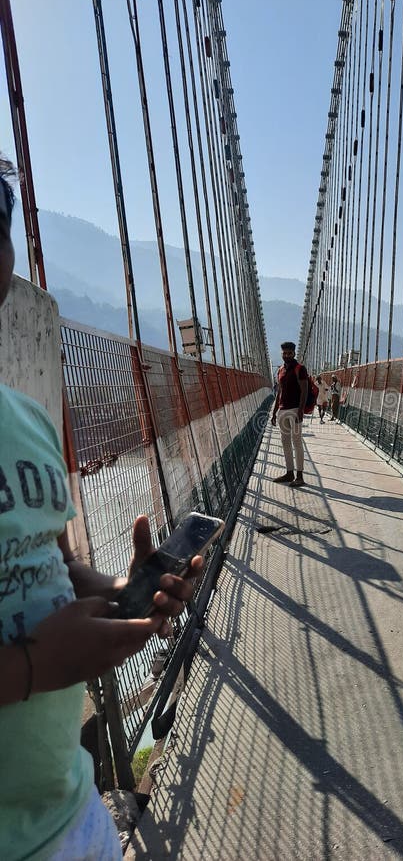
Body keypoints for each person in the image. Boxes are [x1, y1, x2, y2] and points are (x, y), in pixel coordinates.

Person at [0, 160, 203, 861]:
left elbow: (50, 565)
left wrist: (121, 591)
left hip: (74, 813)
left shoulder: (26, 421)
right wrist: (33, 669)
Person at [270, 341, 308, 487]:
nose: (286, 355)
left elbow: (304, 390)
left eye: (289, 353)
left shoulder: (300, 369)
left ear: (294, 353)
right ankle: (289, 473)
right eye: (284, 353)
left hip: (294, 410)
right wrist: (274, 413)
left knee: (297, 442)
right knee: (285, 443)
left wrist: (300, 411)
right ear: (282, 354)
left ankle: (299, 476)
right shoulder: (280, 370)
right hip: (282, 410)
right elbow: (279, 392)